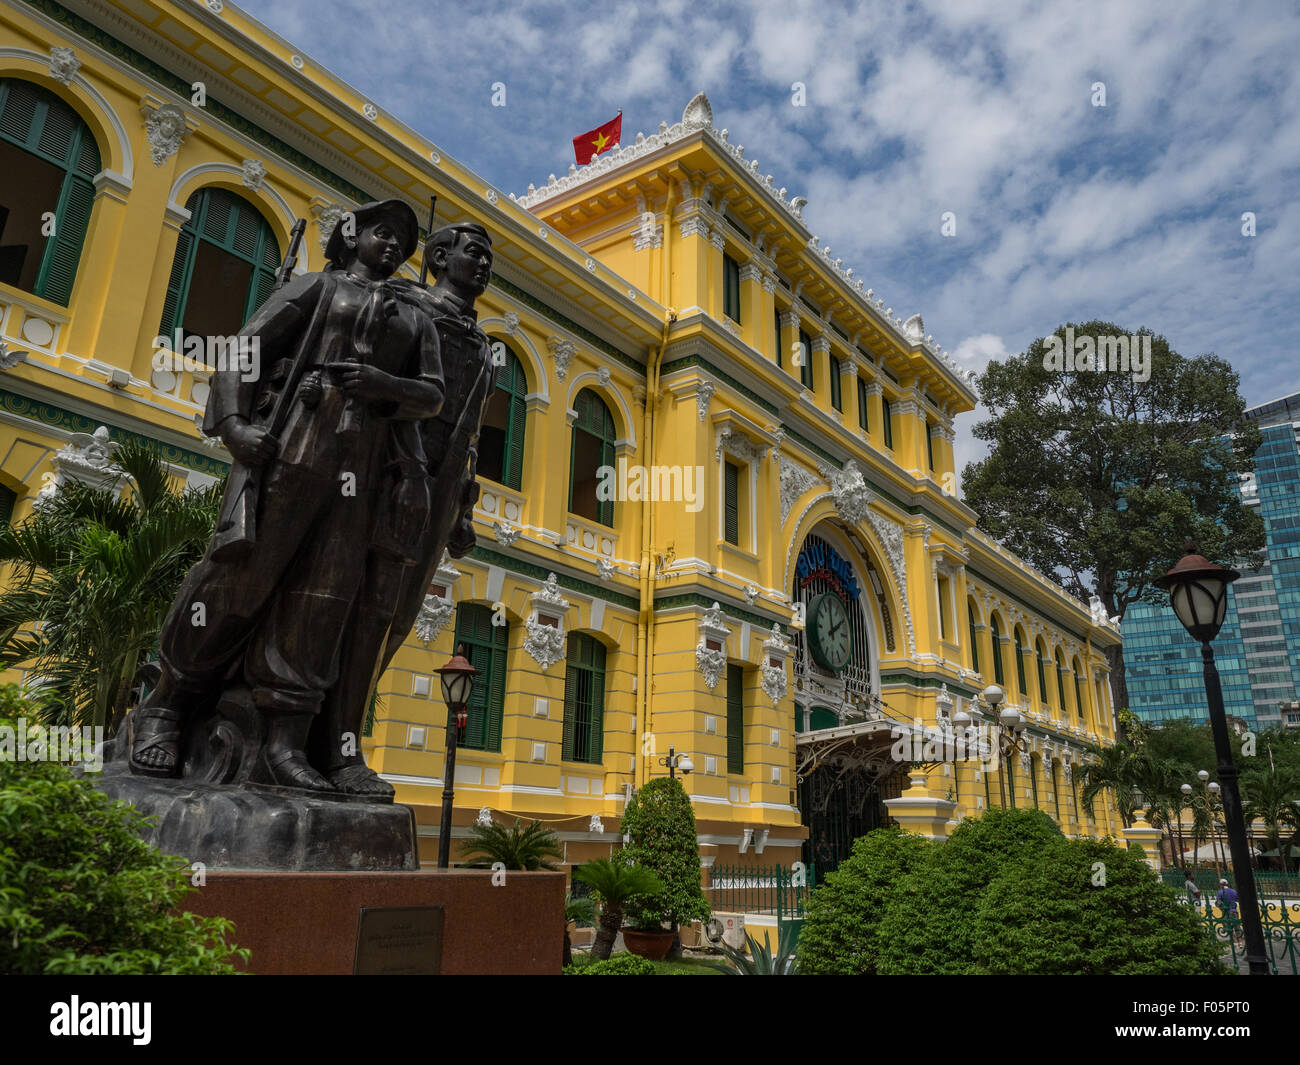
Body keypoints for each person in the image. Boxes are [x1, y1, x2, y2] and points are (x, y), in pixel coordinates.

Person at [128, 200, 444, 791]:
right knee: (240, 579)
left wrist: (386, 384)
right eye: (382, 232)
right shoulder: (318, 288)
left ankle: (284, 742)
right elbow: (246, 348)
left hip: (363, 467)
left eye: (402, 241)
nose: (393, 246)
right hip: (296, 443)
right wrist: (233, 424)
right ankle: (166, 704)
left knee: (323, 598)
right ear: (351, 237)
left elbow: (432, 395)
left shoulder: (414, 318)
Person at [314, 220, 496, 795]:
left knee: (393, 615)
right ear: (438, 258)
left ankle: (340, 736)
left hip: (439, 490)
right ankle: (320, 737)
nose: (484, 265)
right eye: (473, 253)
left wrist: (463, 509)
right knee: (345, 599)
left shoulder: (483, 345)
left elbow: (470, 432)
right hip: (380, 470)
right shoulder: (404, 304)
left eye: (488, 257)